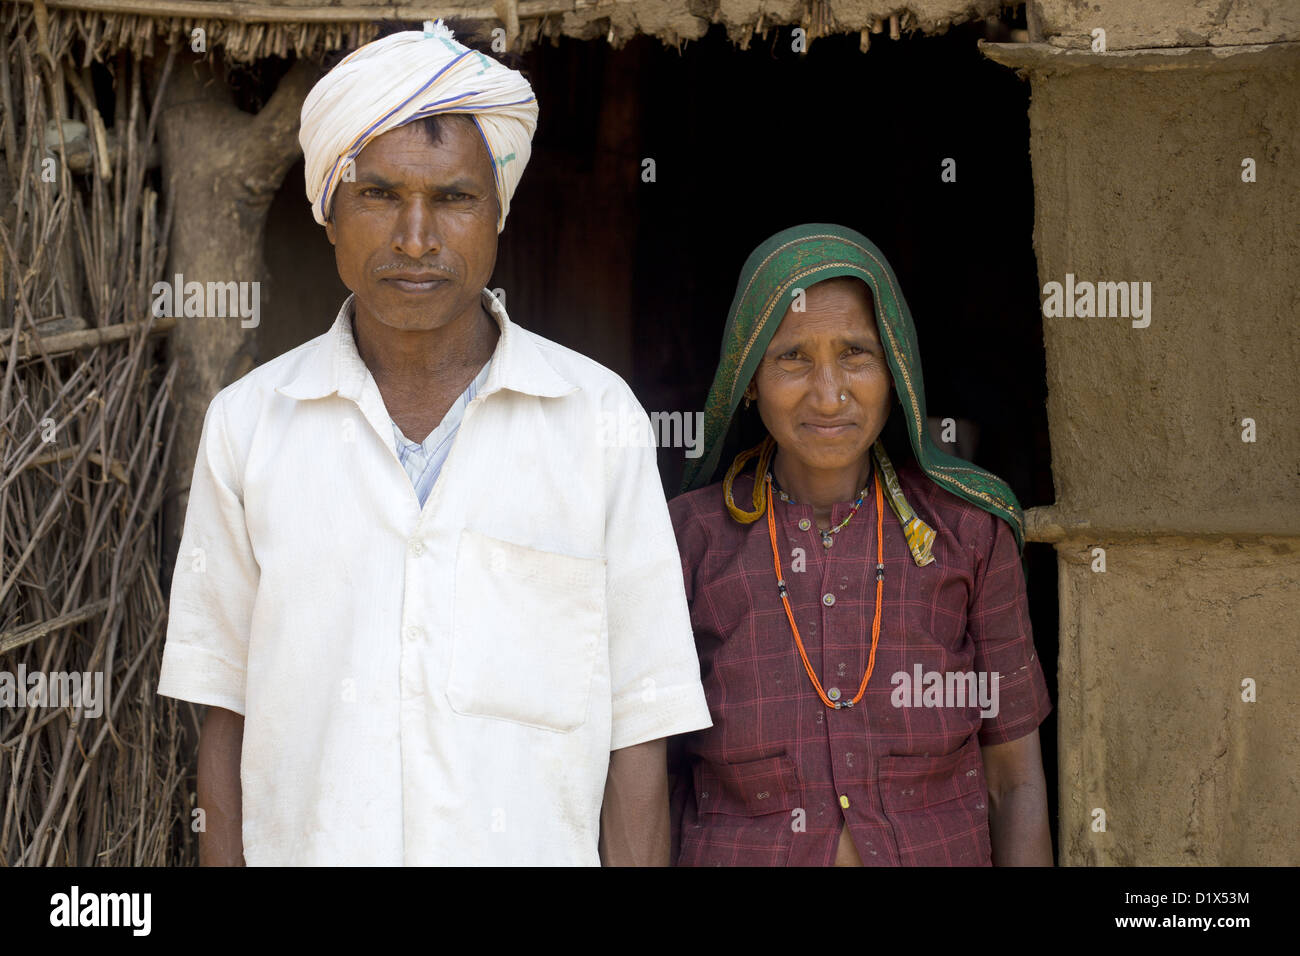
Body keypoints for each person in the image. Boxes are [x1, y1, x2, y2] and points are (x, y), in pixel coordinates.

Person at [157, 20, 710, 866]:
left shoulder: (599, 420)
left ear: (497, 216)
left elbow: (638, 730)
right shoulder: (248, 426)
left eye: (453, 199)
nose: (416, 238)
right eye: (380, 195)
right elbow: (223, 719)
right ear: (331, 213)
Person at [669, 224, 1052, 866]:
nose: (828, 392)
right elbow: (649, 773)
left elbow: (1015, 780)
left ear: (897, 368)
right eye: (792, 357)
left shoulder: (969, 535)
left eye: (855, 353)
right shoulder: (688, 541)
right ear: (749, 378)